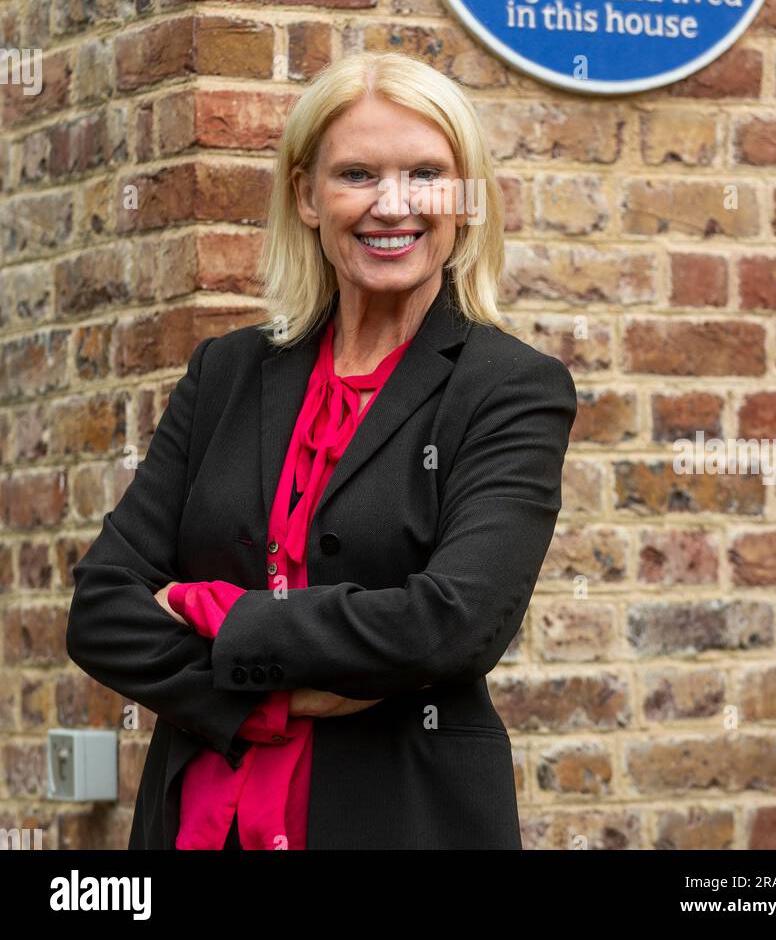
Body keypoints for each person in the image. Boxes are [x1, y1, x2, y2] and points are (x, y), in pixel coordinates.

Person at [65, 51, 578, 850]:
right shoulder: (227, 371)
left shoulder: (510, 388)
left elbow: (454, 622)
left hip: (401, 819)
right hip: (200, 823)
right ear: (306, 195)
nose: (392, 205)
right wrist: (274, 697)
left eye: (425, 174)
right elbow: (102, 608)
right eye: (358, 175)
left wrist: (219, 615)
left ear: (465, 200)